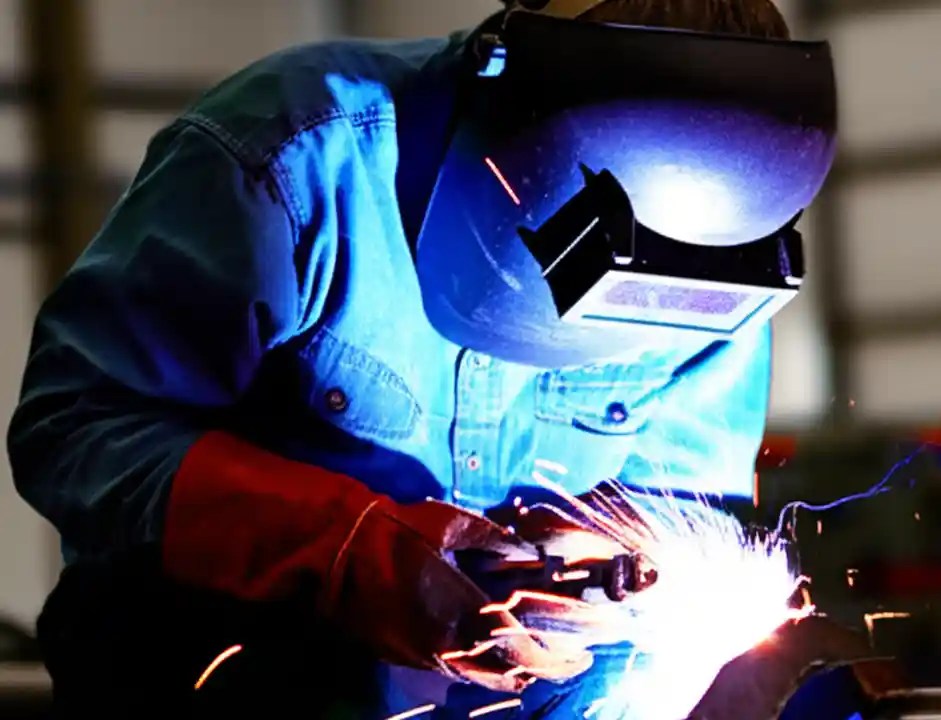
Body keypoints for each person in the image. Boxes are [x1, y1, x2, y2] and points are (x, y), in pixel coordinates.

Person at [8, 0, 836, 717]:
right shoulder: (298, 156)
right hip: (217, 677)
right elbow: (77, 428)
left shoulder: (722, 259)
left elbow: (688, 521)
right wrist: (342, 549)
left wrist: (616, 586)